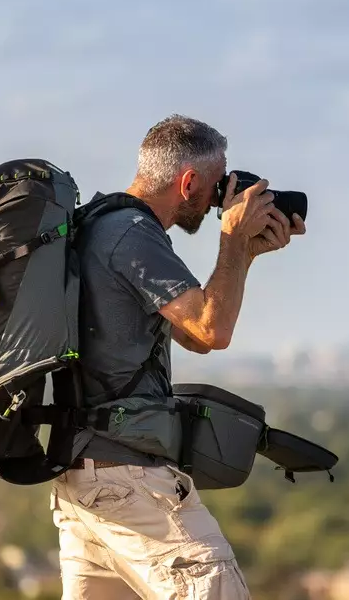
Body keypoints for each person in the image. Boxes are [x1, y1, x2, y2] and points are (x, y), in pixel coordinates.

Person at [49, 114, 304, 599]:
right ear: (188, 182)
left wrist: (244, 253)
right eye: (214, 186)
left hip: (85, 485)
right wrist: (231, 240)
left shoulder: (99, 225)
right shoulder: (131, 235)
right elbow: (213, 329)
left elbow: (196, 336)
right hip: (130, 484)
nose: (217, 199)